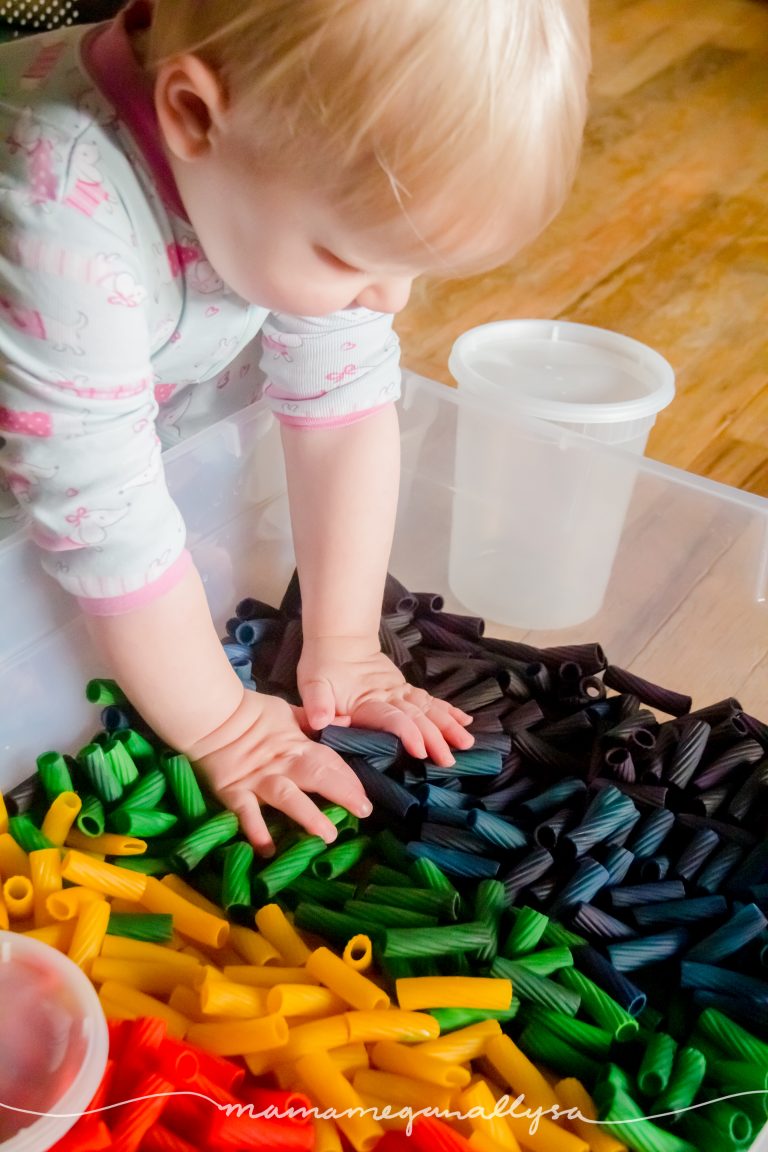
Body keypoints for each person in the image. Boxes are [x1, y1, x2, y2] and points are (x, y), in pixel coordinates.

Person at [0, 0, 591, 853]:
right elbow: (101, 512)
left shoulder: (266, 153)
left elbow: (343, 401)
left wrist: (345, 642)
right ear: (193, 115)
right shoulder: (54, 207)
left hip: (82, 420)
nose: (392, 298)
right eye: (351, 258)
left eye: (409, 266)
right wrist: (224, 726)